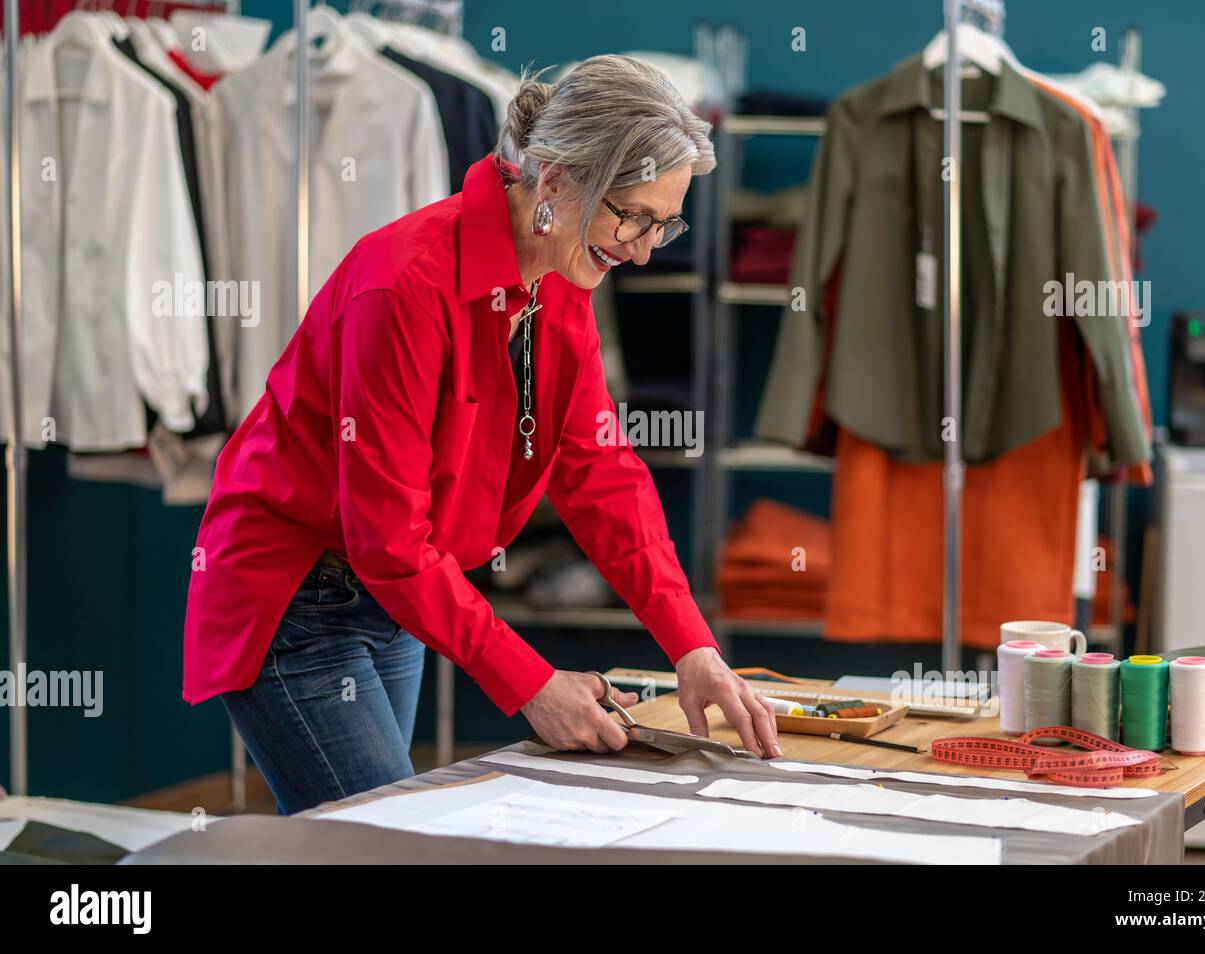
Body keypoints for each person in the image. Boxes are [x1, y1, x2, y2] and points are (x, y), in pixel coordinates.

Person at [183, 55, 781, 815]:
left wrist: (692, 645)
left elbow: (599, 470)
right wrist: (532, 685)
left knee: (368, 839)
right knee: (383, 846)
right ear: (557, 181)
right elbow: (389, 540)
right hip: (296, 597)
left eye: (664, 225)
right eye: (631, 215)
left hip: (399, 598)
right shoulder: (402, 284)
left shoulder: (559, 274)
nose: (640, 249)